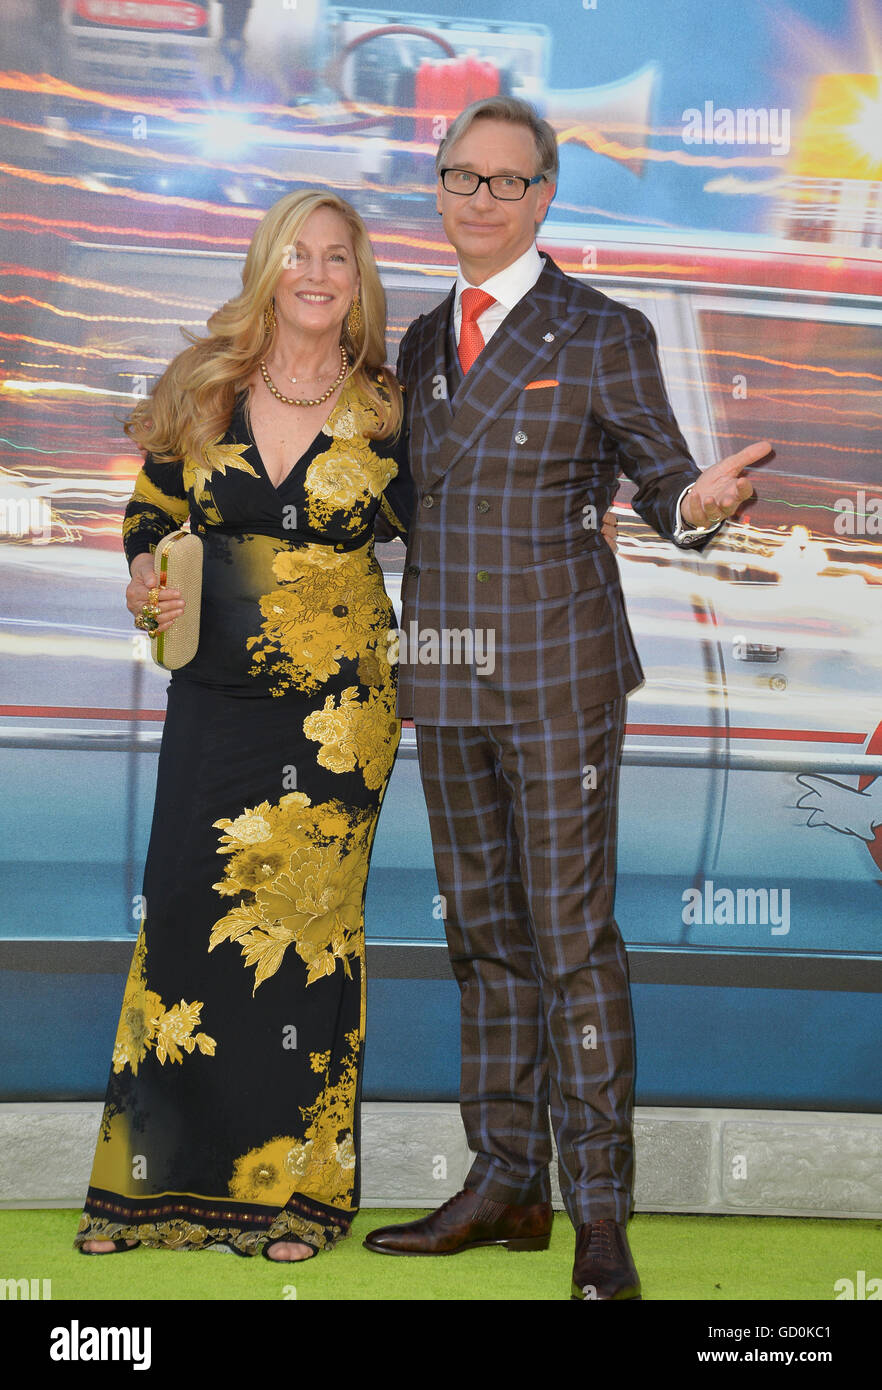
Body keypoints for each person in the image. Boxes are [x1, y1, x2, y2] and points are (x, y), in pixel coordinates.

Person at [363, 96, 770, 1299]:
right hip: (446, 673)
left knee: (570, 937)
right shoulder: (422, 344)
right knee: (482, 940)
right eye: (460, 177)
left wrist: (695, 506)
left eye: (505, 182)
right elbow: (387, 504)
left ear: (545, 198)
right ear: (437, 191)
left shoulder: (602, 329)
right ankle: (504, 1181)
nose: (479, 199)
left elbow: (662, 478)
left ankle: (599, 1209)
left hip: (558, 674)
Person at [74, 189, 414, 1261]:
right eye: (298, 254)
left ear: (360, 284)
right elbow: (147, 514)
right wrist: (141, 572)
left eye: (339, 259)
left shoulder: (393, 410)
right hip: (212, 698)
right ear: (267, 267)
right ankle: (147, 1194)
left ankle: (300, 1200)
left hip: (338, 716)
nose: (317, 274)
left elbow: (464, 524)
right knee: (183, 916)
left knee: (306, 935)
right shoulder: (203, 386)